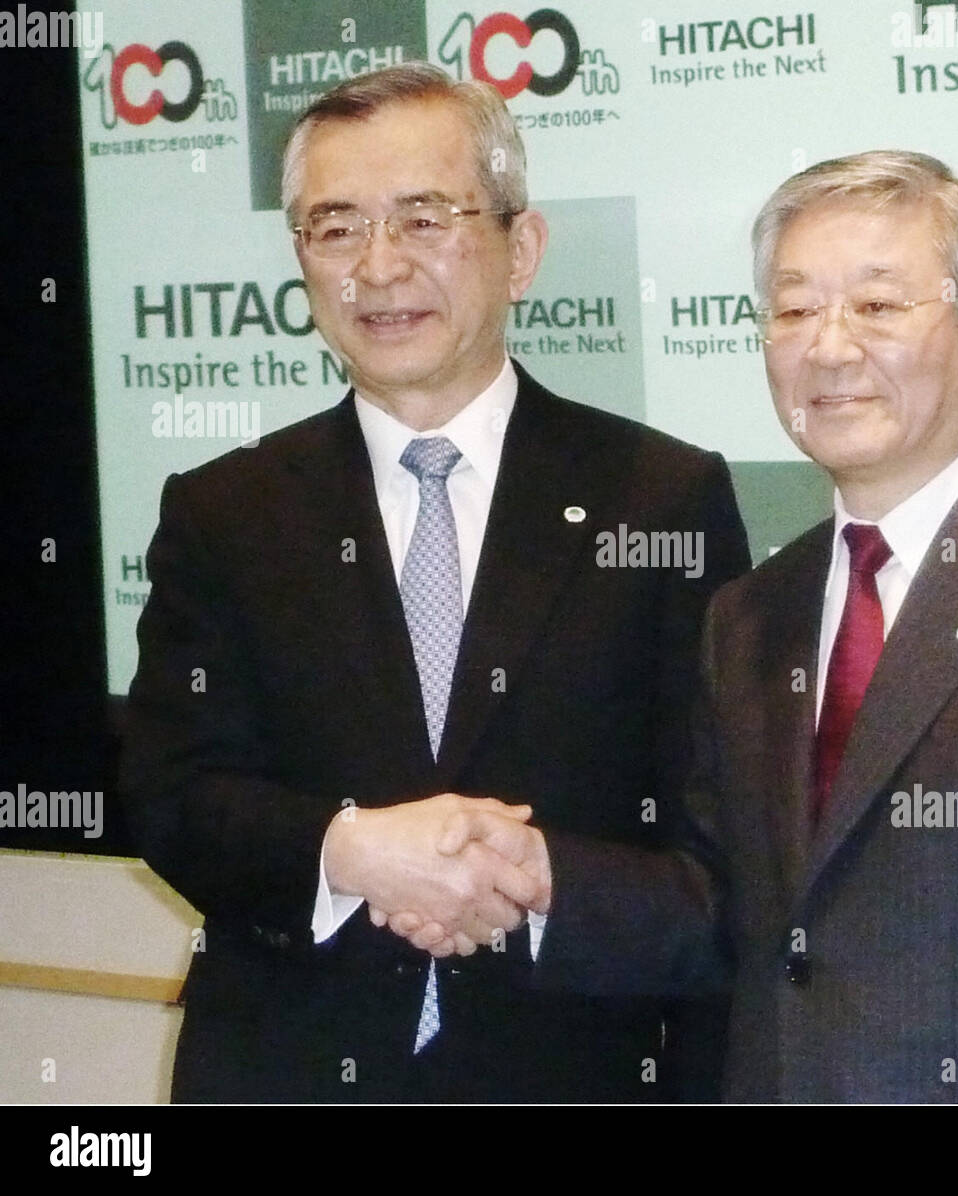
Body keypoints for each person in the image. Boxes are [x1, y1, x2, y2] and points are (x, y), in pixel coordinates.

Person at [432, 150, 958, 1102]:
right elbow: (727, 915)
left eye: (878, 305)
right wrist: (539, 879)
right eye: (792, 310)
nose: (828, 347)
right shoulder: (750, 618)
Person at [120, 63, 750, 1103]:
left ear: (522, 249)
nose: (378, 266)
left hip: (571, 1068)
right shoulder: (224, 511)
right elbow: (173, 795)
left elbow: (710, 841)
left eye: (423, 219)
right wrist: (353, 850)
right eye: (336, 228)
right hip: (287, 1069)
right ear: (302, 262)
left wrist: (531, 878)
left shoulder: (661, 498)